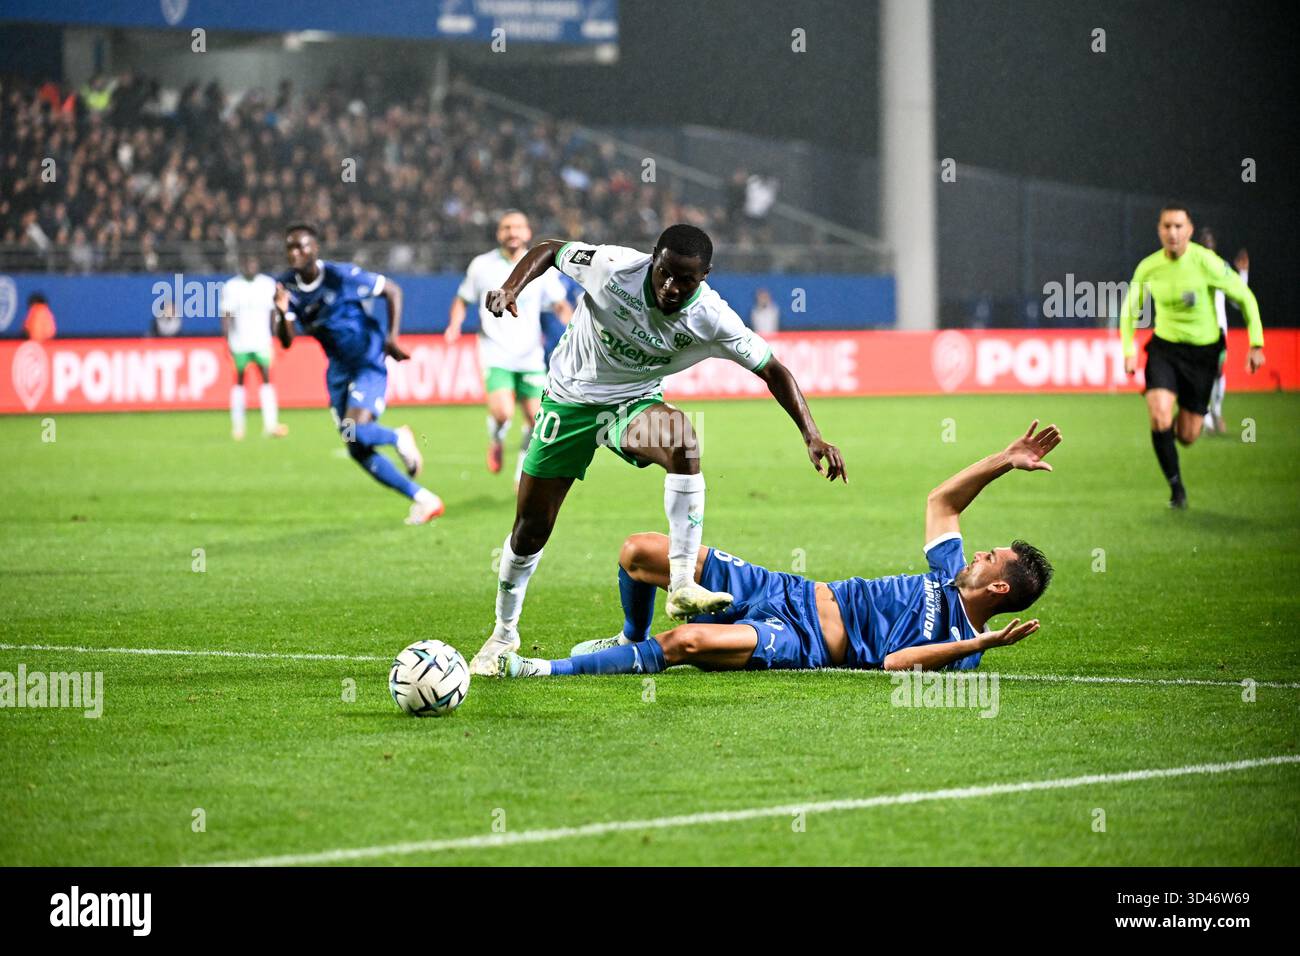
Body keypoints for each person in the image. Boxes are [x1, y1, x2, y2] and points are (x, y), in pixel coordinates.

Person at [467, 224, 847, 676]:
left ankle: (682, 582)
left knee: (682, 438)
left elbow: (774, 370)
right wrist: (512, 287)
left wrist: (811, 435)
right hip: (569, 400)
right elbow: (550, 250)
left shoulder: (712, 317)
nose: (670, 286)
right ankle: (503, 634)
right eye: (664, 272)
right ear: (652, 258)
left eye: (685, 280)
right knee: (531, 528)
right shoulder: (612, 268)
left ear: (704, 277)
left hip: (632, 404)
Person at [493, 421, 1058, 678]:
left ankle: (538, 669)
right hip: (784, 590)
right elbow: (942, 502)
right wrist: (1002, 462)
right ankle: (628, 638)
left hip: (803, 640)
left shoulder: (965, 645)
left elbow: (894, 662)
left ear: (999, 588)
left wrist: (977, 644)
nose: (976, 556)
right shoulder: (947, 572)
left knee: (686, 641)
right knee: (640, 551)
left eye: (988, 558)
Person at [273, 224, 443, 524]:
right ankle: (424, 499)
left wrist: (391, 338)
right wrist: (283, 312)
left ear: (315, 249)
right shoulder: (286, 287)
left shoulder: (341, 276)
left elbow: (392, 290)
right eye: (290, 248)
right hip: (338, 368)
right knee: (355, 447)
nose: (295, 253)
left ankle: (398, 436)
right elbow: (286, 342)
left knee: (356, 428)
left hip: (368, 359)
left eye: (302, 246)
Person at [1120, 204, 1264, 508]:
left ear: (1189, 230)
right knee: (1158, 413)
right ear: (1159, 229)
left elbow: (1245, 297)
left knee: (1187, 435)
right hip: (1165, 348)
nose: (1172, 232)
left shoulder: (1207, 262)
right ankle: (1176, 489)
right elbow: (1130, 309)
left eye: (1178, 226)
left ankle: (1168, 432)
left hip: (1202, 355)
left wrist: (1256, 342)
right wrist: (1129, 350)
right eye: (1166, 226)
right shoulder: (1149, 266)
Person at [446, 210, 573, 487]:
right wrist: (454, 325)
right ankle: (497, 437)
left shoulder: (541, 267)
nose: (512, 232)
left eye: (518, 227)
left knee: (536, 418)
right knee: (503, 412)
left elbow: (560, 305)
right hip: (496, 351)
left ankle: (520, 474)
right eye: (506, 227)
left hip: (530, 355)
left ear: (528, 233)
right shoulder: (482, 265)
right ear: (498, 233)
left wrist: (575, 327)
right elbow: (462, 299)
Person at [222, 252, 287, 440]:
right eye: (247, 263)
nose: (250, 267)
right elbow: (226, 315)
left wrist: (275, 336)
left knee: (266, 378)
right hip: (239, 342)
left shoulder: (267, 285)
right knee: (239, 380)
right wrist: (226, 341)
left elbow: (272, 313)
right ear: (241, 265)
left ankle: (271, 425)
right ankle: (238, 427)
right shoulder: (232, 286)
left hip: (261, 341)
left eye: (253, 263)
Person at [1195, 227, 1250, 435]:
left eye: (1210, 244)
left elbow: (1238, 299)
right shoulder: (1190, 268)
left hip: (1218, 330)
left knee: (1216, 372)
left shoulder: (1222, 268)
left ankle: (1214, 411)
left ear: (1214, 248)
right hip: (1195, 330)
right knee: (1200, 373)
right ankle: (1206, 414)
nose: (1208, 248)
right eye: (1204, 244)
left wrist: (1242, 274)